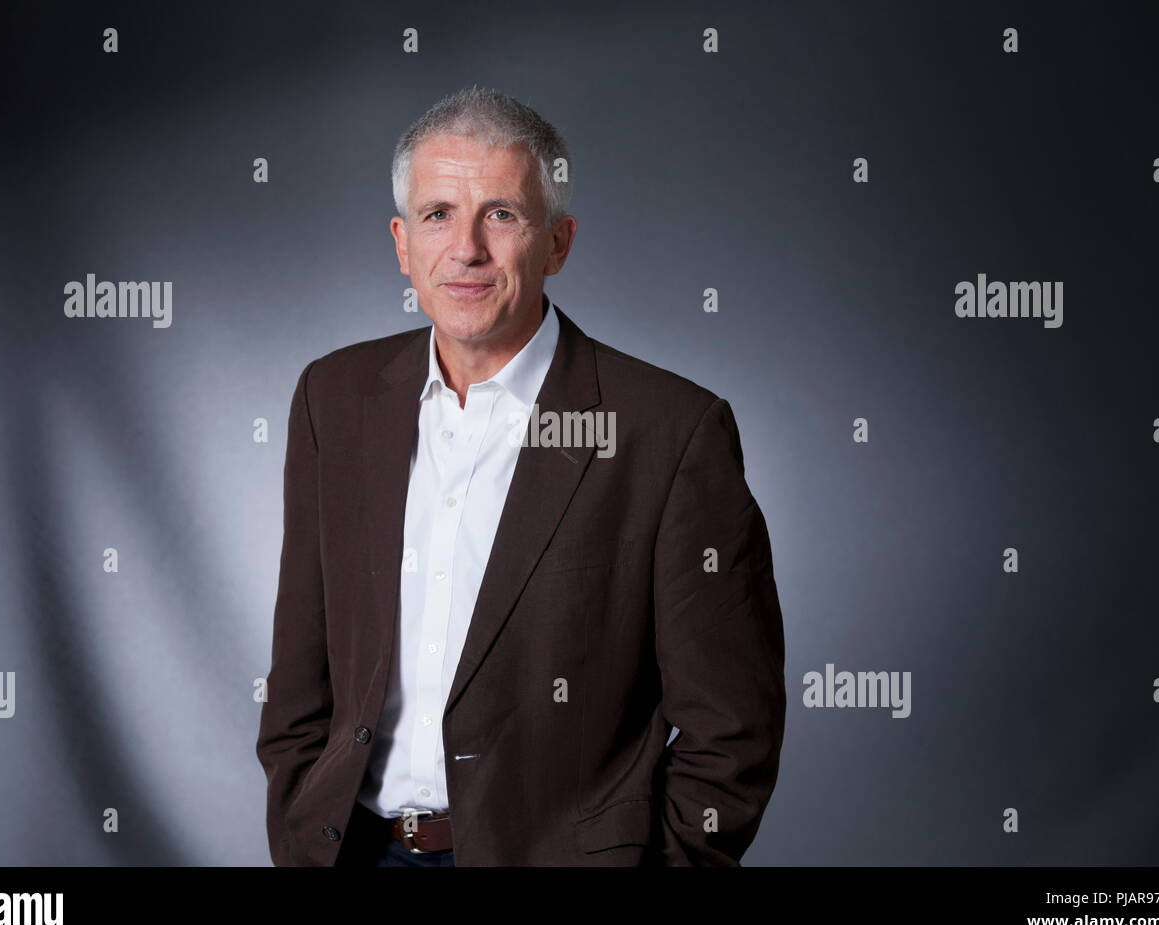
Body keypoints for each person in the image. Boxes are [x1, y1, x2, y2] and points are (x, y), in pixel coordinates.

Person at [256, 87, 786, 866]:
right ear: (402, 244)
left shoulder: (669, 432)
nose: (465, 248)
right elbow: (301, 665)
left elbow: (732, 727)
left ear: (558, 243)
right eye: (438, 214)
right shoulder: (331, 398)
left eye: (501, 214)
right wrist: (301, 824)